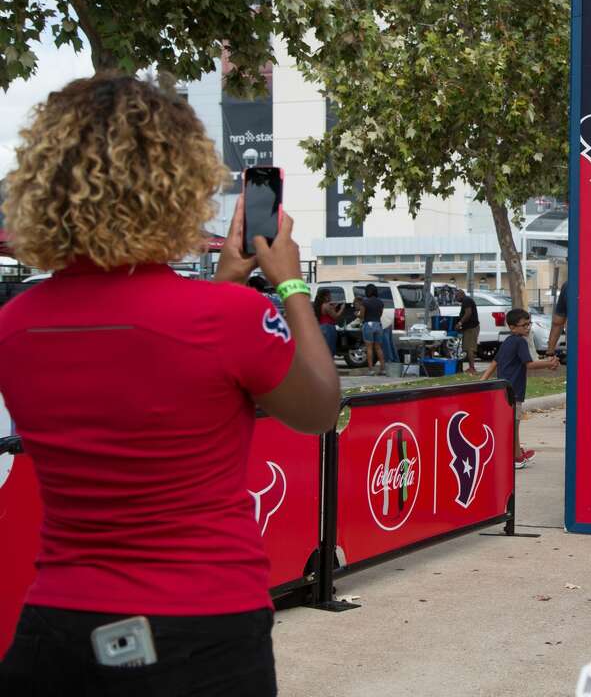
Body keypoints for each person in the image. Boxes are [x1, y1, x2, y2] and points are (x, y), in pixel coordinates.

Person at [0, 74, 340, 694]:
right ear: (175, 184)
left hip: (59, 628)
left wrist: (225, 283)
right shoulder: (225, 321)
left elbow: (138, 347)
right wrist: (288, 283)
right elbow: (319, 409)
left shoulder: (16, 323)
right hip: (201, 630)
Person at [481, 309, 559, 467]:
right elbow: (529, 364)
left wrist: (482, 380)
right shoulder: (520, 341)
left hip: (502, 390)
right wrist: (549, 363)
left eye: (528, 324)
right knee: (514, 425)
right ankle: (517, 458)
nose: (527, 328)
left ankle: (514, 452)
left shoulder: (508, 341)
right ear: (512, 327)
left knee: (509, 424)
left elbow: (495, 362)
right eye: (523, 325)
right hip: (514, 391)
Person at [358, 284, 387, 376]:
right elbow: (380, 314)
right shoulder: (380, 302)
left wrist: (357, 314)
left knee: (369, 348)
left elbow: (362, 315)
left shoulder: (365, 302)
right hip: (378, 324)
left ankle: (371, 370)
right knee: (378, 348)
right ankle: (383, 369)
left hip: (368, 325)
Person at [314, 288, 347, 356]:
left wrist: (333, 307)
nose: (331, 297)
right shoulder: (327, 305)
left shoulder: (319, 305)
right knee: (330, 349)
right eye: (329, 295)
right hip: (328, 327)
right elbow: (336, 316)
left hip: (321, 327)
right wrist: (341, 308)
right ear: (325, 296)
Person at [455, 289, 482, 374]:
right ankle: (471, 367)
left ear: (461, 294)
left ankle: (472, 368)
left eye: (457, 296)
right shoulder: (466, 301)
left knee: (470, 348)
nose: (456, 298)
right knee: (467, 348)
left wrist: (460, 323)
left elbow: (468, 313)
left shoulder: (466, 300)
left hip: (472, 328)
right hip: (468, 328)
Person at [545, 280, 568, 358]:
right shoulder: (568, 286)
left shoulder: (569, 285)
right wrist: (550, 353)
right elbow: (558, 322)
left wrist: (550, 353)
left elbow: (558, 323)